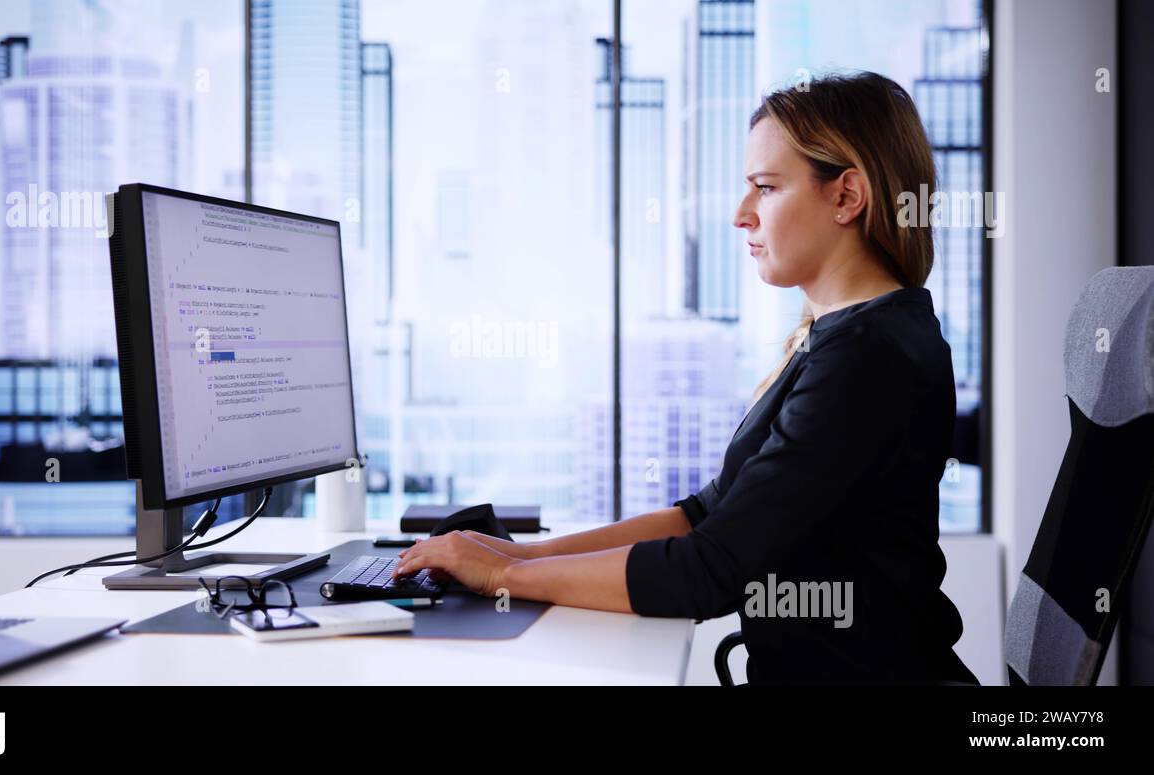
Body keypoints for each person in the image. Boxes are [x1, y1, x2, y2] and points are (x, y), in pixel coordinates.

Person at [392, 71, 979, 685]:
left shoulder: (869, 357)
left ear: (845, 196)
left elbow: (710, 571)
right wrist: (522, 554)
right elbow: (706, 515)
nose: (740, 214)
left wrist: (505, 578)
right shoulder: (847, 336)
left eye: (766, 188)